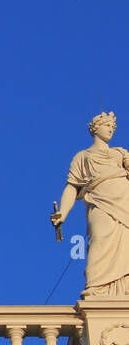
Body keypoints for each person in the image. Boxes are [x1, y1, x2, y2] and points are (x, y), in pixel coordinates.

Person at [52, 111, 129, 296]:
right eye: (107, 125)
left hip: (125, 201)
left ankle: (125, 285)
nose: (111, 129)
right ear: (95, 129)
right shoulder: (82, 156)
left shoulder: (120, 153)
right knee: (100, 239)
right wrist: (62, 212)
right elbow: (72, 187)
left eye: (113, 127)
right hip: (100, 203)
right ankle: (97, 286)